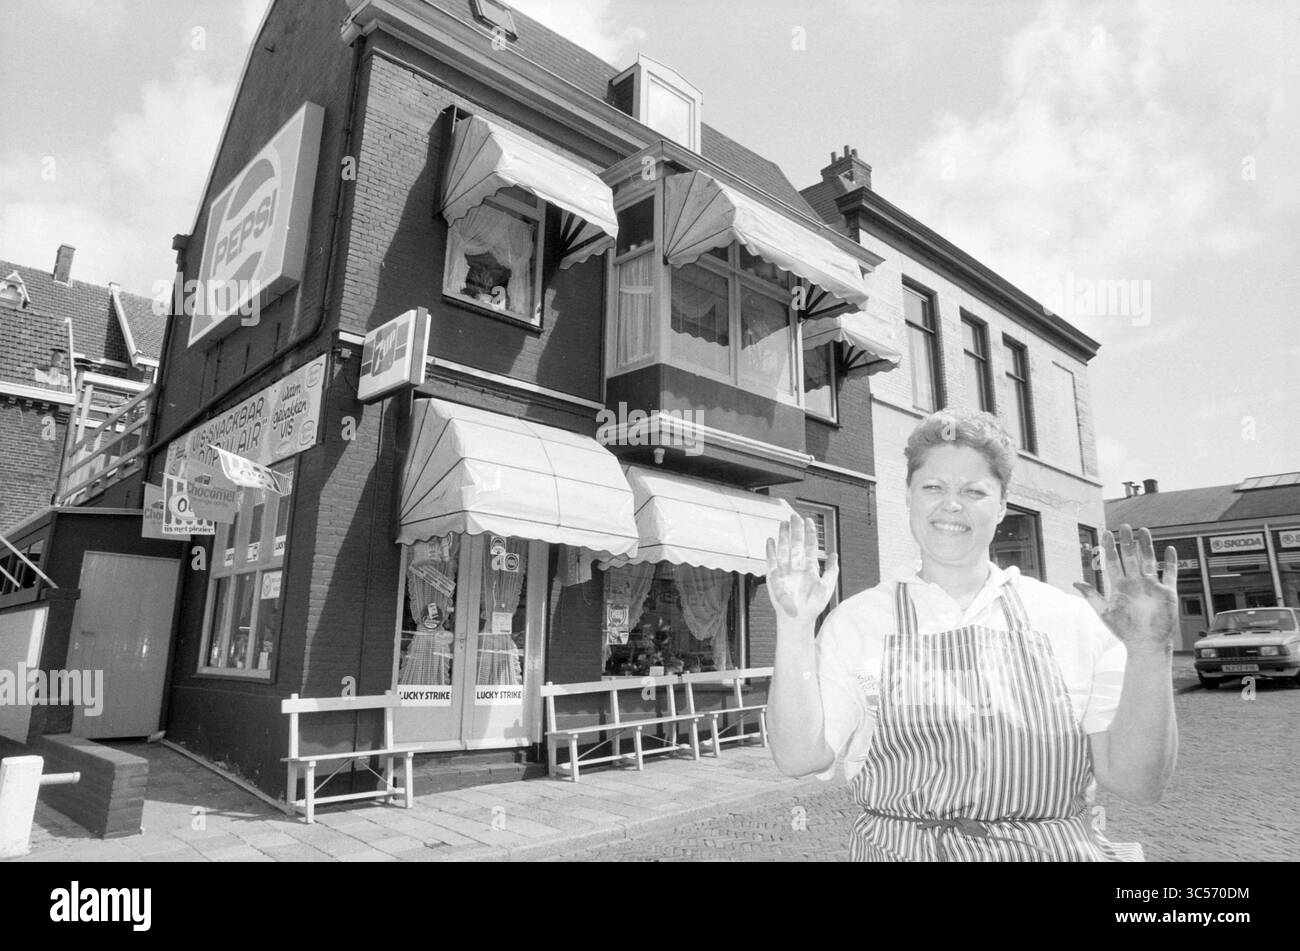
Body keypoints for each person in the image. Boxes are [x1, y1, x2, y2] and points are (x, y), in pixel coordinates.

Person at [766, 409, 1178, 861]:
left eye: (974, 491)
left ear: (1002, 506)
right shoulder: (857, 622)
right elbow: (799, 757)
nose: (952, 504)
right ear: (908, 496)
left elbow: (1139, 784)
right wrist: (794, 625)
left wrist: (1148, 651)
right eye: (933, 487)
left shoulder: (1070, 619)